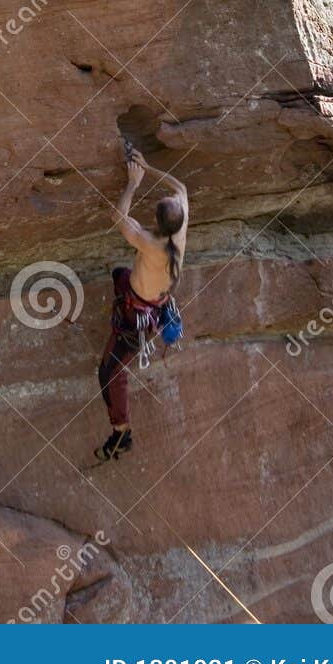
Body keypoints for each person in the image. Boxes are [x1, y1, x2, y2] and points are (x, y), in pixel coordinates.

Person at [95, 143, 188, 461]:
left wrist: (134, 182)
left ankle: (121, 432)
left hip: (137, 314)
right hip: (154, 299)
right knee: (121, 273)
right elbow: (181, 188)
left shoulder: (150, 244)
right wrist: (148, 166)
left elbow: (117, 216)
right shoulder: (180, 228)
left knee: (109, 373)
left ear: (158, 223)